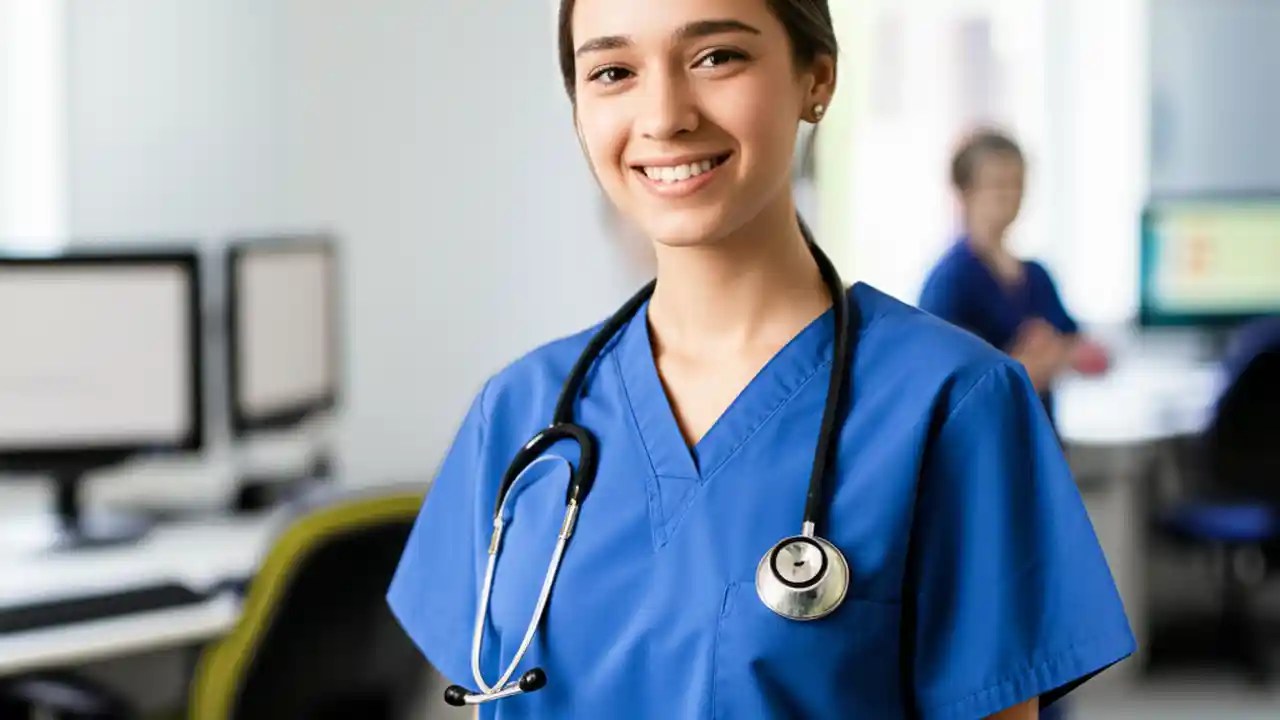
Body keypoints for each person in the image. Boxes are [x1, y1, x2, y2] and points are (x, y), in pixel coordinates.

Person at [387, 2, 1134, 718]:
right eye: (613, 72)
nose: (665, 116)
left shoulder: (952, 402)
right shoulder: (517, 414)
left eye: (718, 57)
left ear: (818, 79)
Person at [918, 130, 1109, 421]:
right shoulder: (951, 282)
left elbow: (1088, 352)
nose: (1009, 196)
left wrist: (1050, 354)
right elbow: (948, 380)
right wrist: (1026, 365)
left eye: (1017, 184)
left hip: (1037, 440)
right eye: (998, 184)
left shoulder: (1037, 277)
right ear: (966, 192)